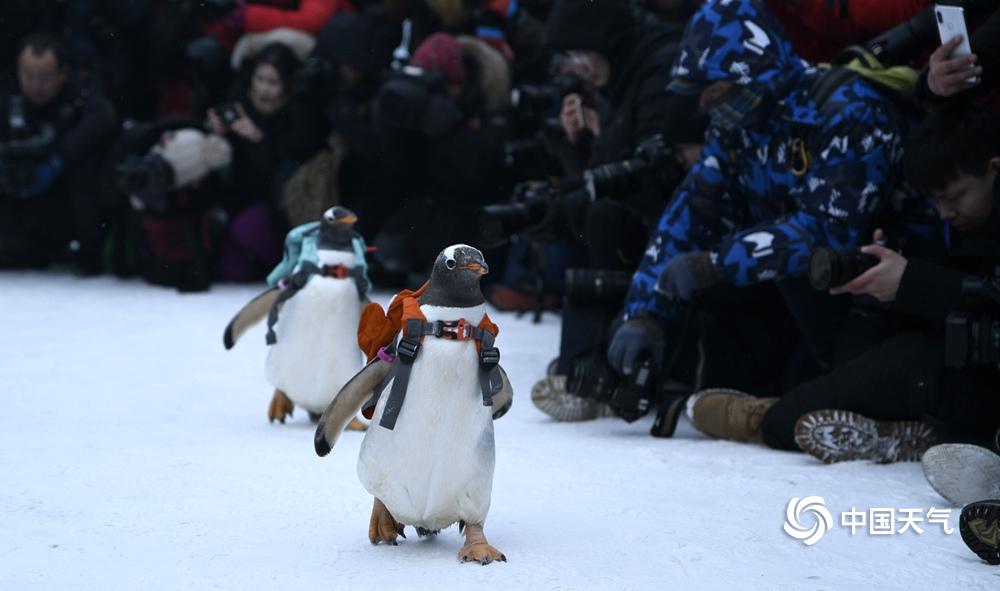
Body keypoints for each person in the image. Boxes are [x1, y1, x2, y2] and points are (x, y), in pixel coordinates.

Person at [606, 0, 917, 413]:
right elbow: (693, 210)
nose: (703, 102)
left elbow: (829, 230)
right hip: (802, 296)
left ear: (753, 76)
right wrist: (644, 312)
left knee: (816, 402)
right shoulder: (737, 126)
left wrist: (715, 263)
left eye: (712, 87)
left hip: (887, 298)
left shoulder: (851, 110)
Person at [691, 102, 1000, 465]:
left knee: (913, 358)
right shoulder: (969, 221)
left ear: (994, 170)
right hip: (966, 369)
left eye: (954, 197)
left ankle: (769, 420)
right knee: (870, 320)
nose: (945, 212)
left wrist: (913, 281)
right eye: (935, 201)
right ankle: (896, 429)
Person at [206, 42, 323, 282]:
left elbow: (289, 166)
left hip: (280, 208)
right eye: (260, 79)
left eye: (273, 82)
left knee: (246, 230)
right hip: (239, 200)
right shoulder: (240, 104)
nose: (264, 89)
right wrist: (217, 132)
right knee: (232, 270)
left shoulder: (298, 113)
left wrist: (260, 139)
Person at [0, 34, 117, 273]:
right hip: (17, 197)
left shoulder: (80, 95)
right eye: (29, 76)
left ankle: (91, 253)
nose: (36, 85)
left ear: (62, 74)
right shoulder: (8, 95)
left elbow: (103, 118)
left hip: (65, 197)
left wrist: (58, 159)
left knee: (87, 170)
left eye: (44, 77)